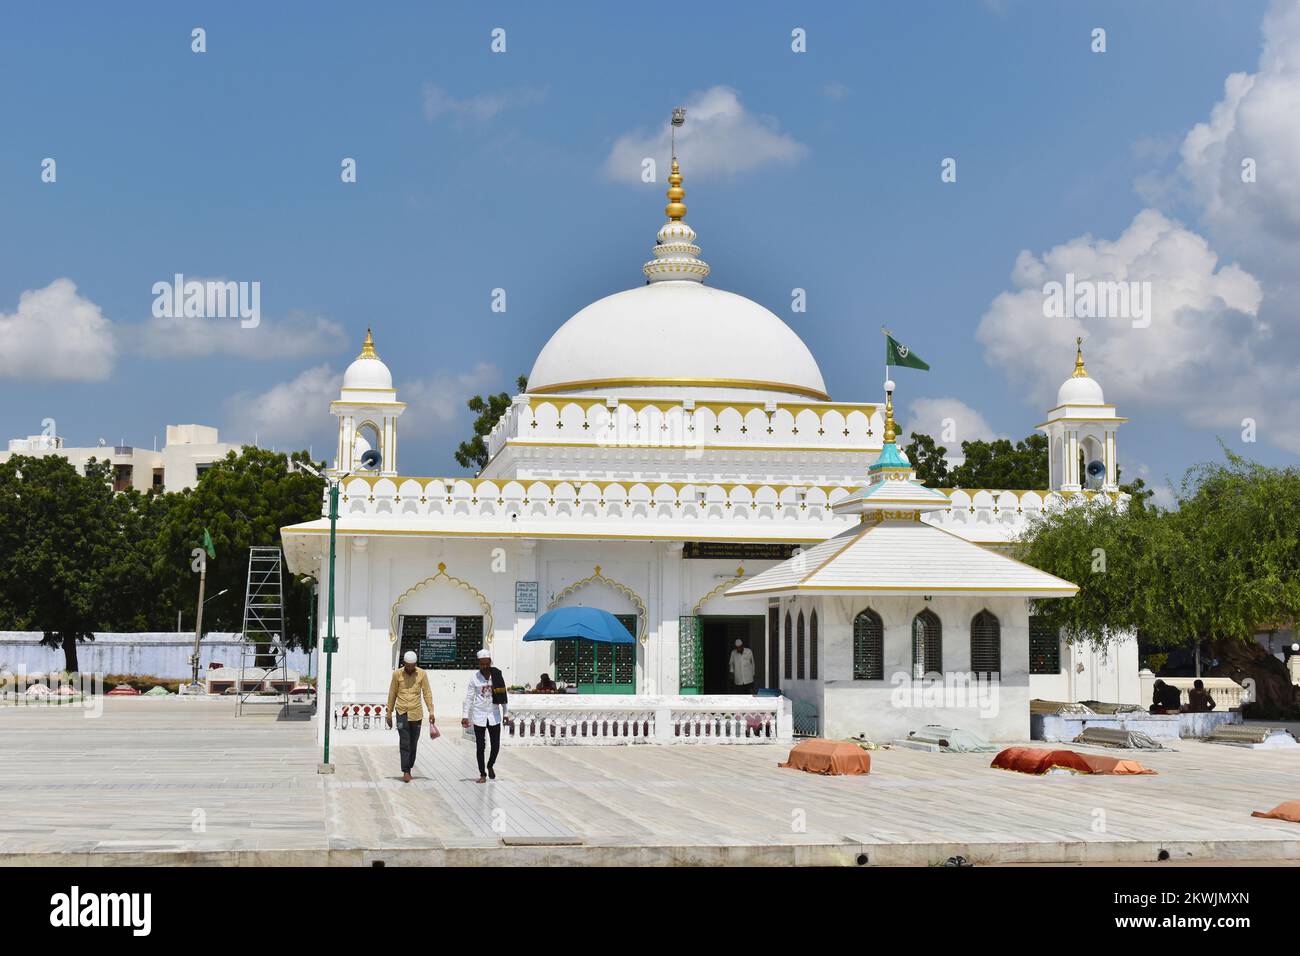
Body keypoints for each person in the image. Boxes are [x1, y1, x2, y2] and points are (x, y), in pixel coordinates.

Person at [386, 650, 437, 783]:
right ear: (404, 664)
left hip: (416, 713)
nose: (410, 668)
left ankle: (410, 766)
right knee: (404, 742)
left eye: (413, 665)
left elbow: (427, 693)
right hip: (401, 712)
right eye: (408, 665)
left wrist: (431, 711)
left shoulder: (421, 674)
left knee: (413, 743)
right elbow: (392, 693)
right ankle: (406, 771)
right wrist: (389, 713)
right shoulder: (397, 674)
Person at [462, 649, 510, 783]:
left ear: (490, 662)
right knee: (480, 747)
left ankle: (490, 765)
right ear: (478, 663)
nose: (484, 666)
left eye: (486, 663)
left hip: (494, 715)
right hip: (479, 715)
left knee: (495, 746)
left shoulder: (497, 675)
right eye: (481, 664)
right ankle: (482, 773)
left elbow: (503, 696)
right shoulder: (474, 678)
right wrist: (465, 715)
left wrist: (505, 713)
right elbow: (470, 698)